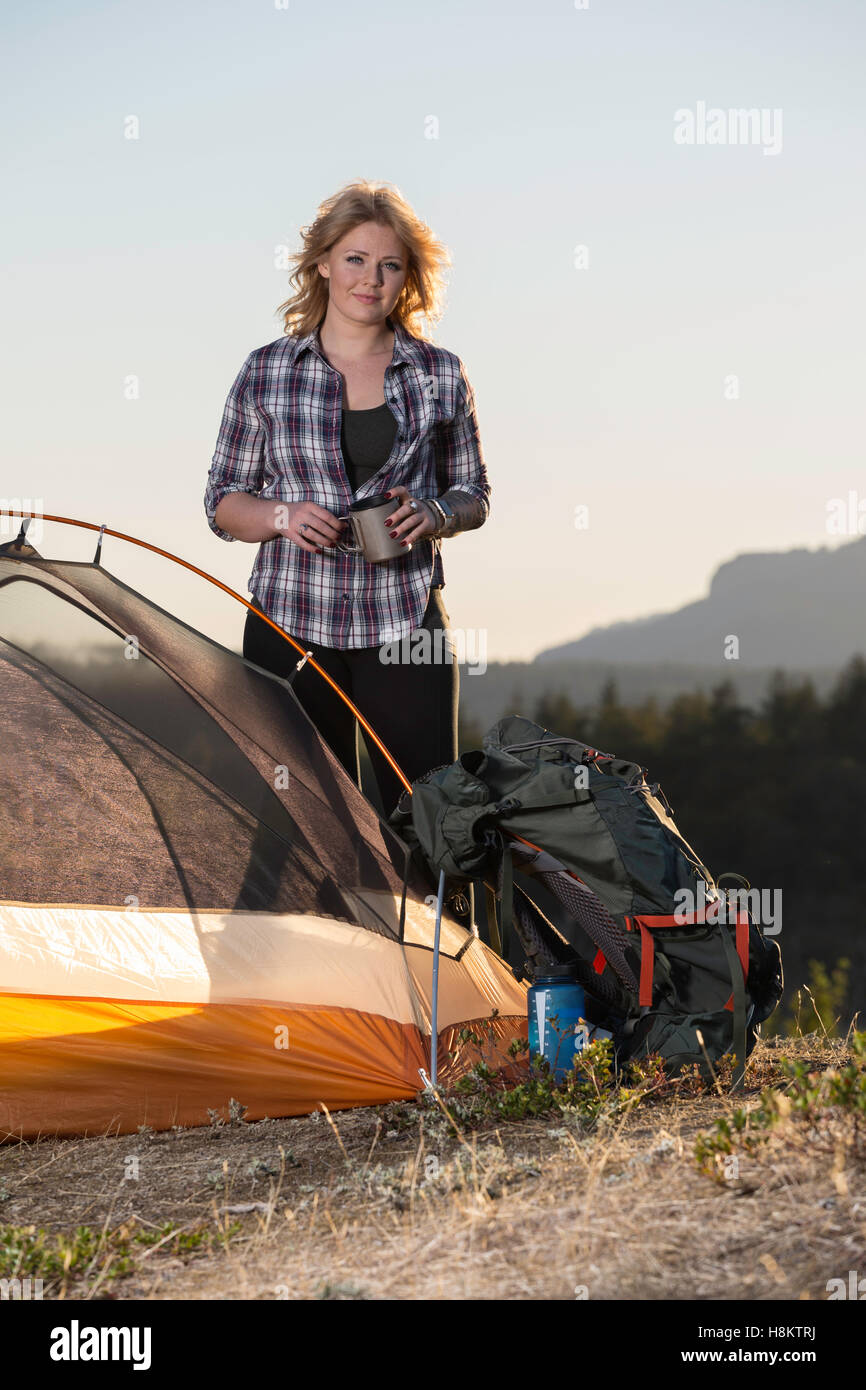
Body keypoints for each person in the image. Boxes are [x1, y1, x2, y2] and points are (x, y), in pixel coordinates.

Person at [204, 179, 490, 817]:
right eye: (356, 259)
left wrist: (436, 512)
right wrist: (282, 515)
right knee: (299, 823)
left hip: (404, 621)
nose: (371, 279)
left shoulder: (440, 373)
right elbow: (222, 501)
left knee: (429, 820)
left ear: (408, 277)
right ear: (323, 263)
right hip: (292, 619)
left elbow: (474, 492)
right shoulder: (267, 371)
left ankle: (438, 920)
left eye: (390, 265)